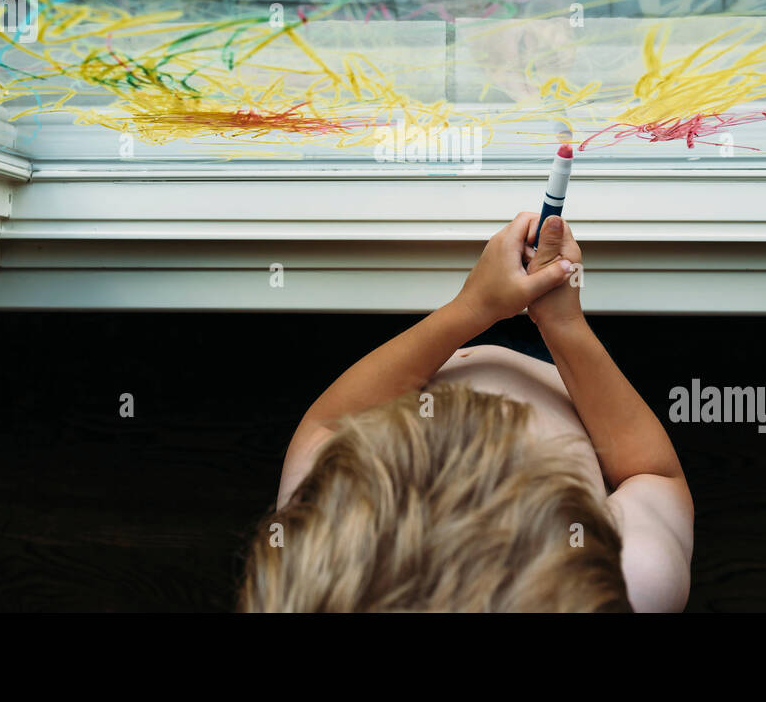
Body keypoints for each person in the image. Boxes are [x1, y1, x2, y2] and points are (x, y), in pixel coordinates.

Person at [238, 212, 693, 612]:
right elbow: (651, 474)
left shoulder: (309, 565)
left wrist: (472, 308)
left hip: (418, 363)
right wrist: (564, 326)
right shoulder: (632, 578)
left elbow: (331, 423)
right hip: (573, 379)